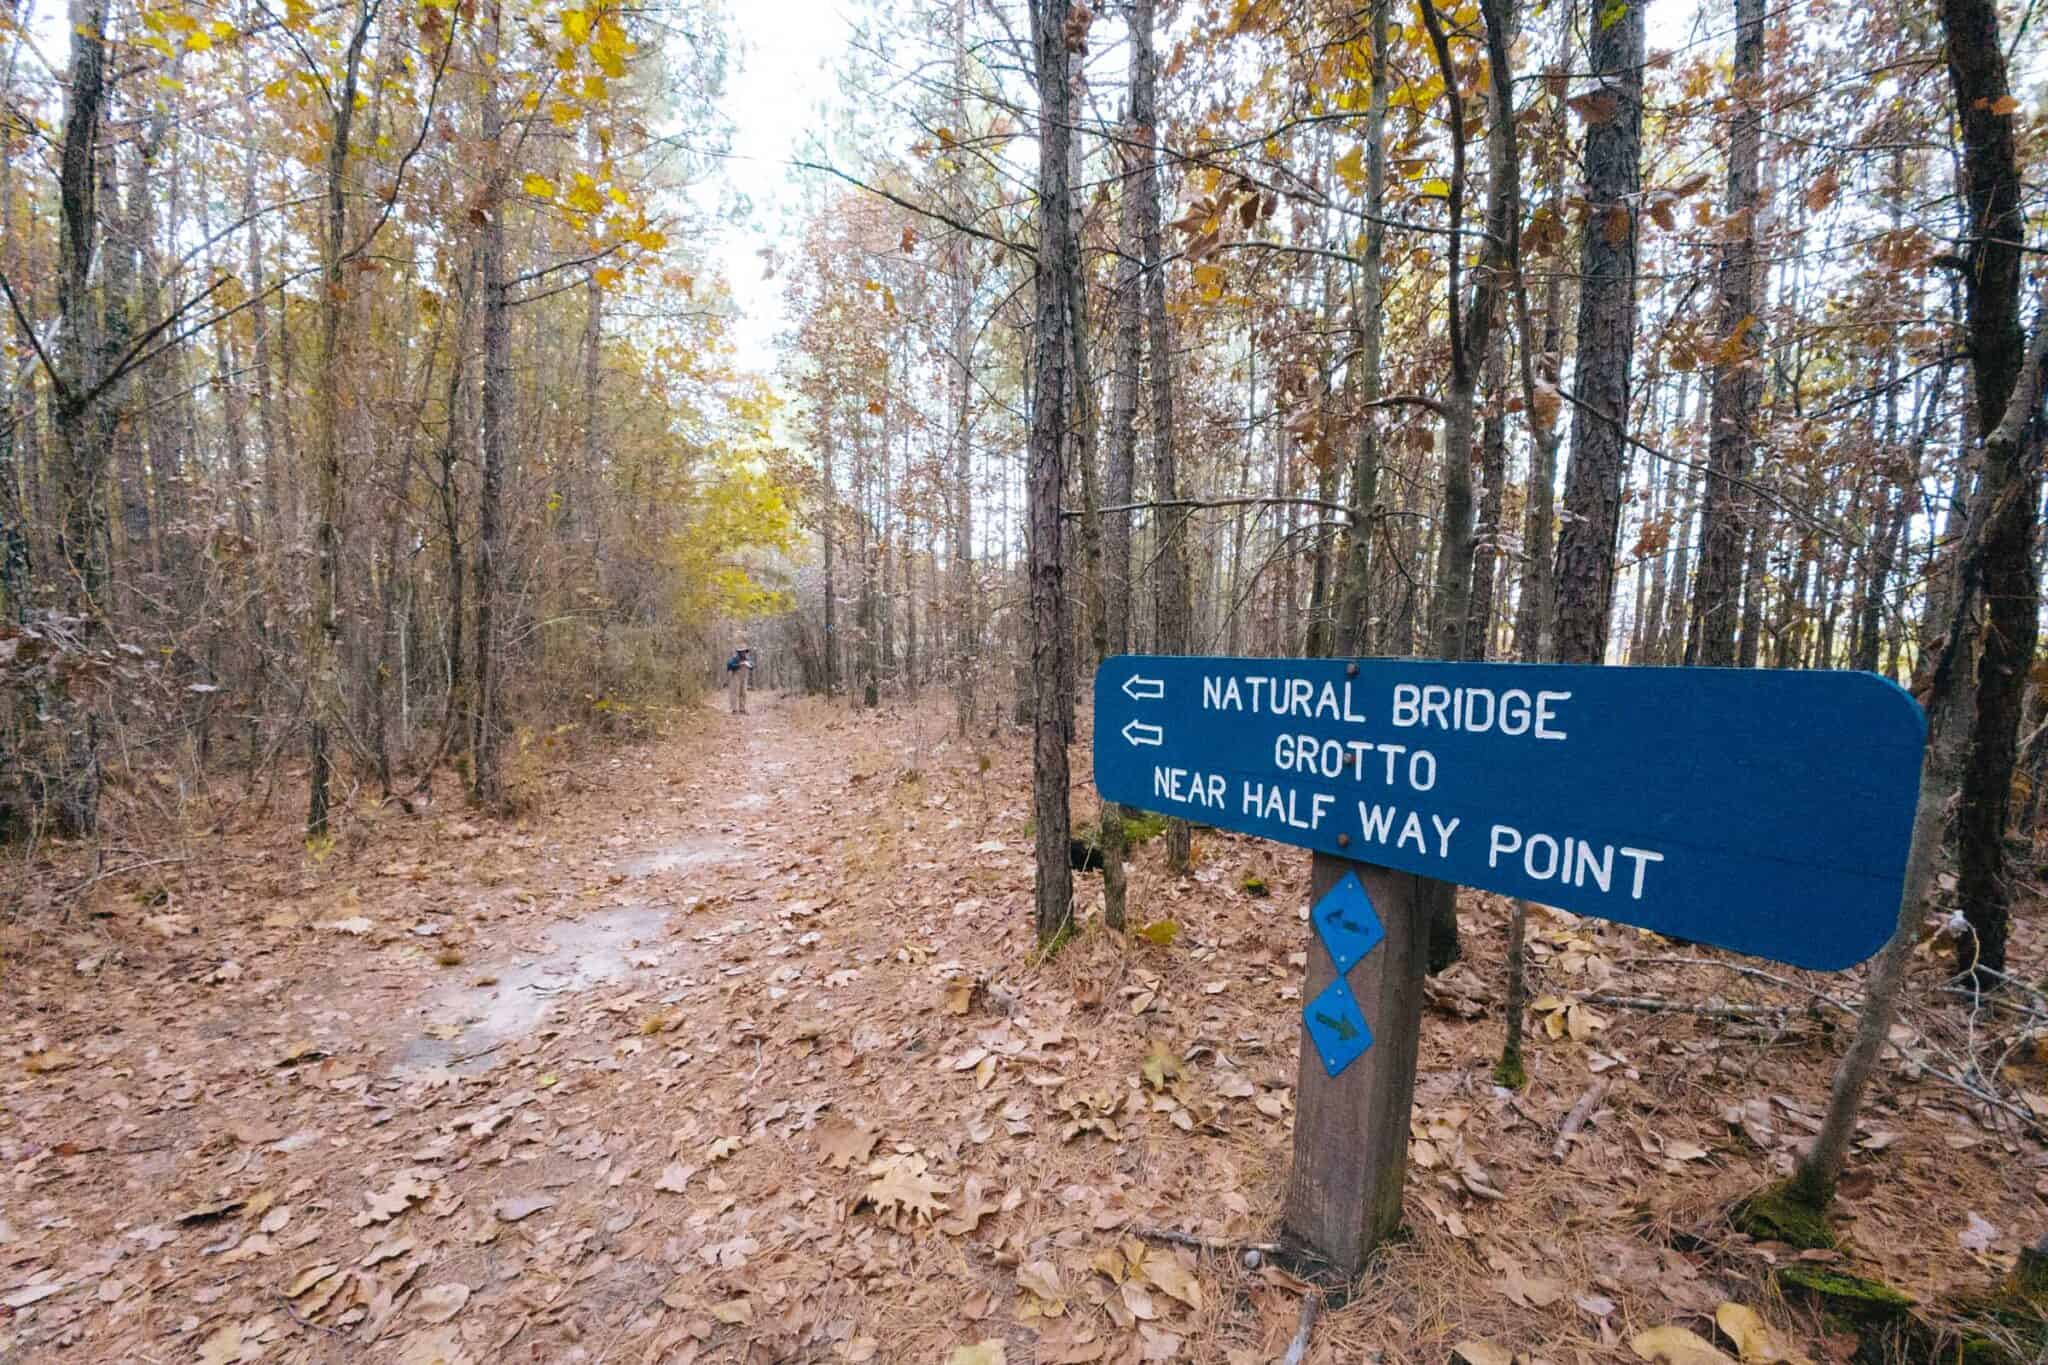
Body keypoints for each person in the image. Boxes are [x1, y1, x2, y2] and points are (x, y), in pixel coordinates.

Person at [725, 644, 754, 714]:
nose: (743, 653)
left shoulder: (748, 659)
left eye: (744, 651)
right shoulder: (735, 658)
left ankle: (742, 709)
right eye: (741, 651)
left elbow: (752, 667)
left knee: (744, 693)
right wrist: (739, 665)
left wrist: (749, 665)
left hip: (745, 678)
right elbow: (729, 666)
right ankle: (734, 709)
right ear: (739, 652)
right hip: (735, 678)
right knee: (735, 693)